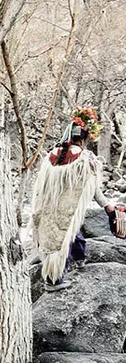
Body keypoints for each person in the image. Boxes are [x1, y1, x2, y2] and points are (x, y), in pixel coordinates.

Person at [32, 105, 114, 291]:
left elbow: (41, 186)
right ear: (84, 138)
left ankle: (77, 259)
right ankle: (55, 280)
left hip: (49, 207)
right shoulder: (85, 159)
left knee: (59, 236)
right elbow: (93, 189)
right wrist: (108, 207)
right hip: (68, 208)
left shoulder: (51, 156)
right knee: (67, 234)